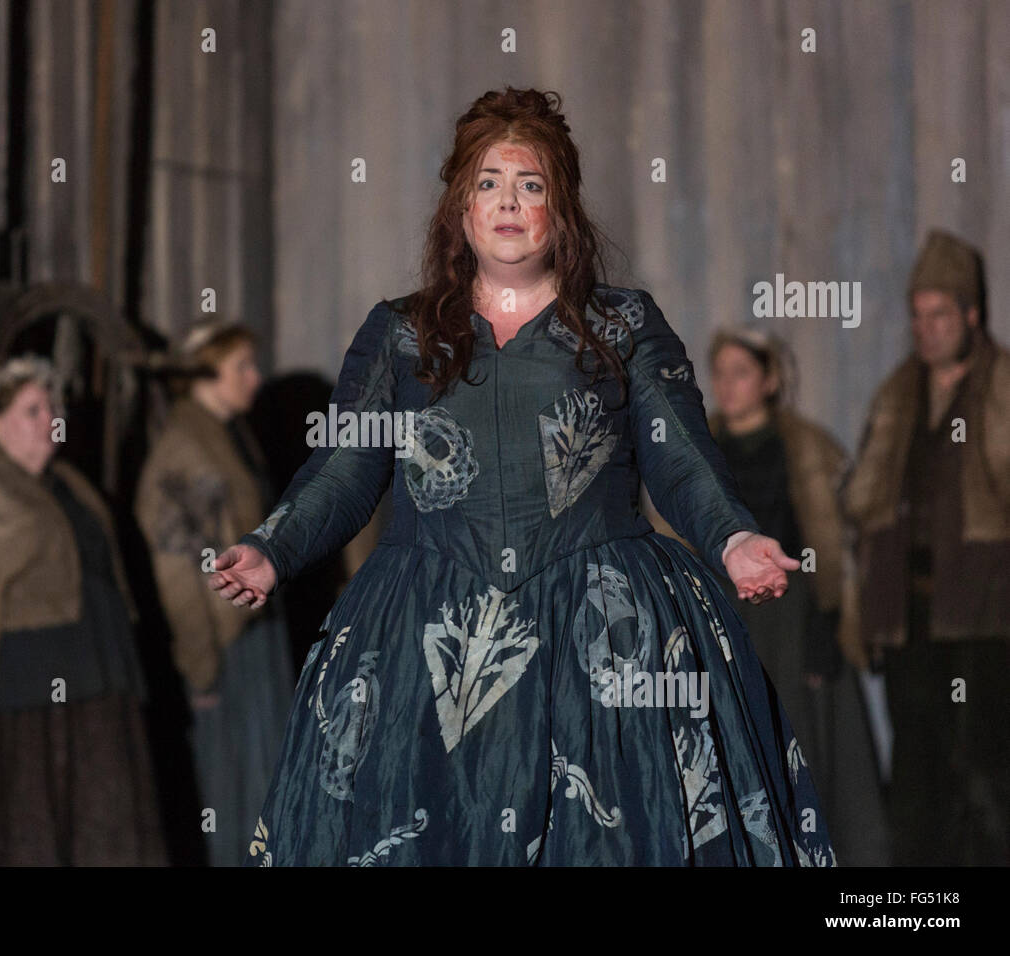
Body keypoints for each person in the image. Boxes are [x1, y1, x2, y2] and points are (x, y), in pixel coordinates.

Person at [211, 87, 836, 866]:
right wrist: (273, 548)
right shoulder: (401, 333)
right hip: (429, 629)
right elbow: (344, 466)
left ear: (561, 208)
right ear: (460, 210)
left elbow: (679, 455)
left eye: (530, 184)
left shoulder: (624, 325)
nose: (508, 202)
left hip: (598, 629)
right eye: (487, 183)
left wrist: (735, 538)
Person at [0, 355, 168, 865]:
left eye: (52, 407)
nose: (50, 419)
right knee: (23, 827)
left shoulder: (71, 484)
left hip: (92, 690)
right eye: (32, 410)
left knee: (99, 824)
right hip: (16, 702)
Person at [842, 229, 1010, 866]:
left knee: (987, 782)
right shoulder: (898, 397)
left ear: (972, 314)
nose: (927, 328)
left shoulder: (1002, 391)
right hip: (910, 626)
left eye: (941, 313)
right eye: (918, 315)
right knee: (916, 783)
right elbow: (864, 504)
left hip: (986, 625)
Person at [701, 327, 887, 863]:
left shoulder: (805, 448)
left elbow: (833, 547)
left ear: (770, 380)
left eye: (742, 372)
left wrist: (828, 625)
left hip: (791, 616)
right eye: (721, 373)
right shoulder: (699, 451)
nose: (728, 385)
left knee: (803, 745)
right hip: (724, 618)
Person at [136, 321, 294, 866]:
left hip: (256, 635)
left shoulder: (227, 436)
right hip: (228, 652)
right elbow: (179, 571)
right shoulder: (186, 449)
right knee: (234, 792)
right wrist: (201, 667)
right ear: (205, 377)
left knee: (264, 788)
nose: (255, 378)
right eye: (241, 368)